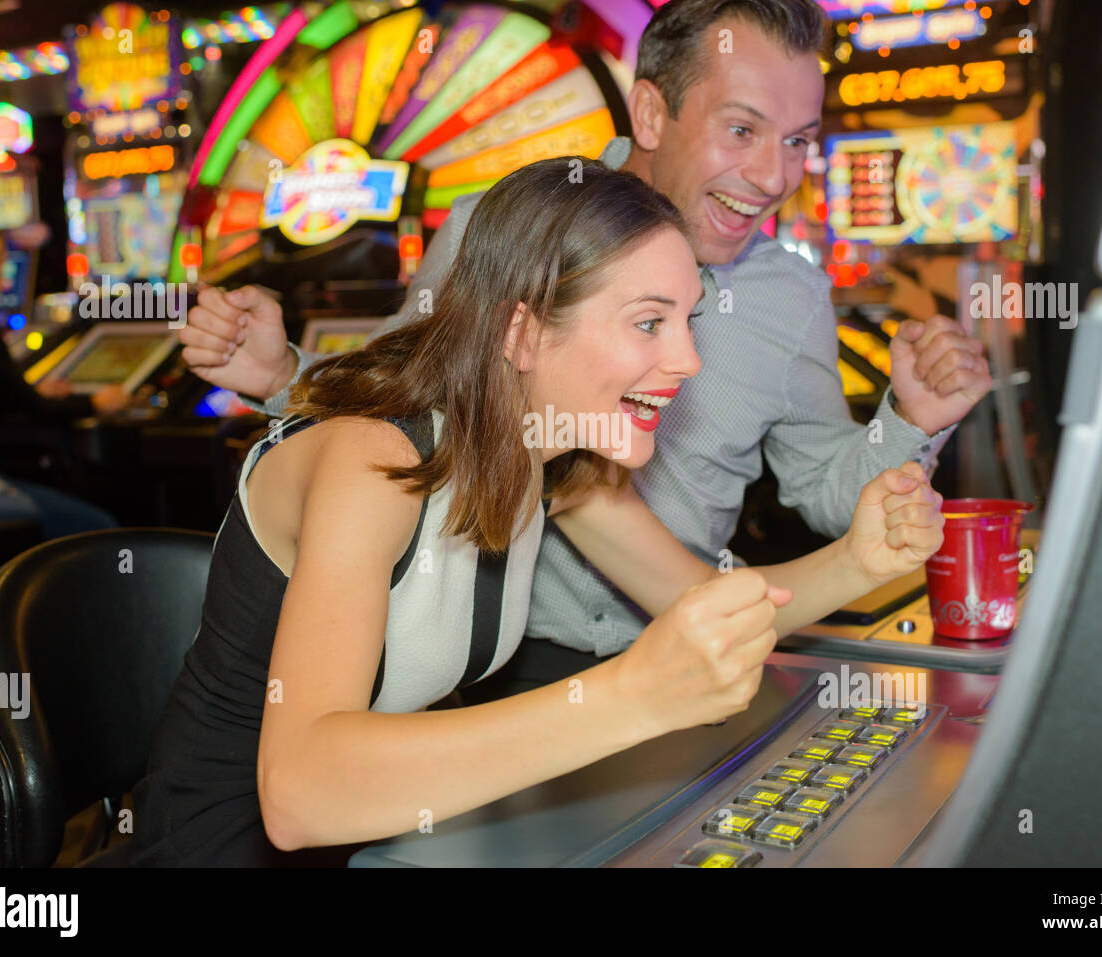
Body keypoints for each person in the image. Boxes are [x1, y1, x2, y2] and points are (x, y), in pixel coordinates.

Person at [130, 159, 944, 866]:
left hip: (397, 844)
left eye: (687, 322)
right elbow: (299, 793)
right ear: (522, 331)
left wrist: (858, 561)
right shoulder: (372, 459)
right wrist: (631, 694)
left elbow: (702, 603)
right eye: (648, 323)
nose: (688, 360)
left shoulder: (558, 457)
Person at [178, 0, 988, 690]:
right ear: (649, 113)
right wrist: (283, 374)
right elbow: (400, 407)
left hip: (680, 642)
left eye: (800, 141)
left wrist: (908, 422)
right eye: (742, 129)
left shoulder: (786, 298)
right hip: (487, 661)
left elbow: (816, 502)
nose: (774, 176)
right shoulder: (513, 231)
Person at [0, 216, 125, 613]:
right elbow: (37, 411)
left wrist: (29, 395)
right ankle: (63, 643)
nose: (5, 280)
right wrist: (98, 403)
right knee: (101, 532)